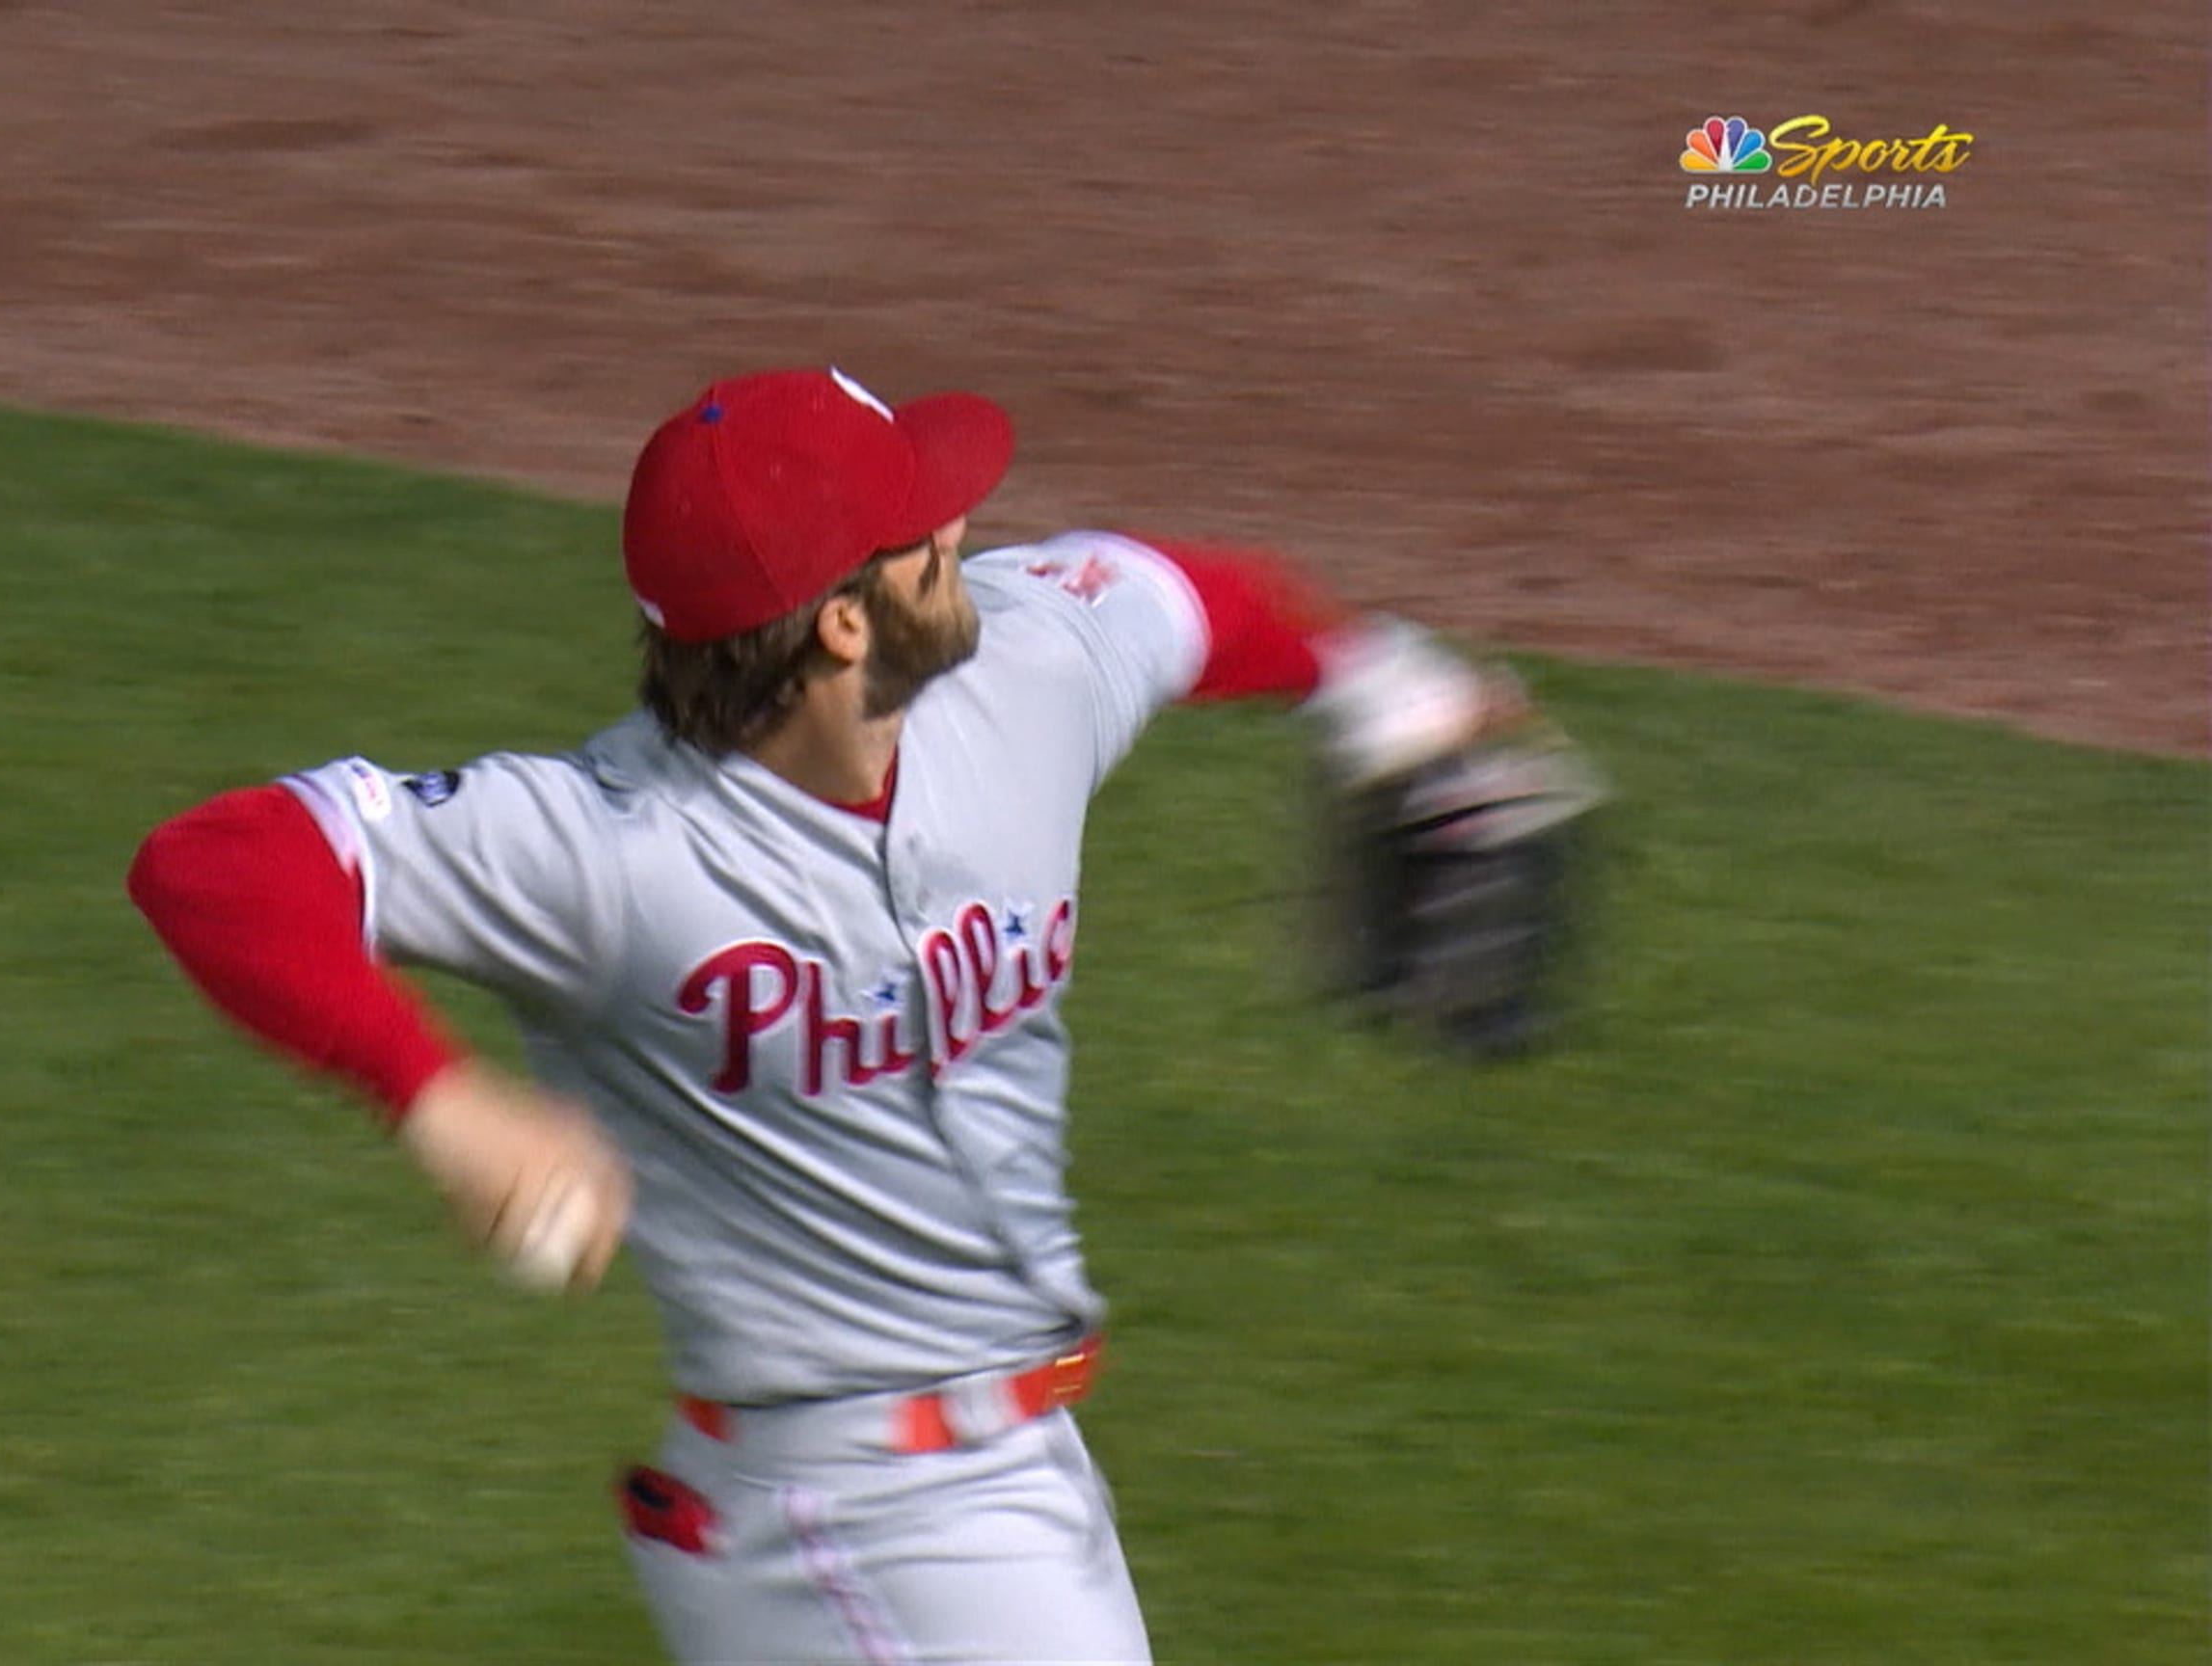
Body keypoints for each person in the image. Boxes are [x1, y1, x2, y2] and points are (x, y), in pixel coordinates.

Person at [128, 365, 1511, 1664]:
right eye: (922, 527)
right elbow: (218, 862)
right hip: (842, 1515)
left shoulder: (1016, 676)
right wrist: (444, 1100)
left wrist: (1387, 687)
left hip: (1018, 1485)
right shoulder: (607, 851)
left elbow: (1187, 602)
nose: (961, 523)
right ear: (847, 621)